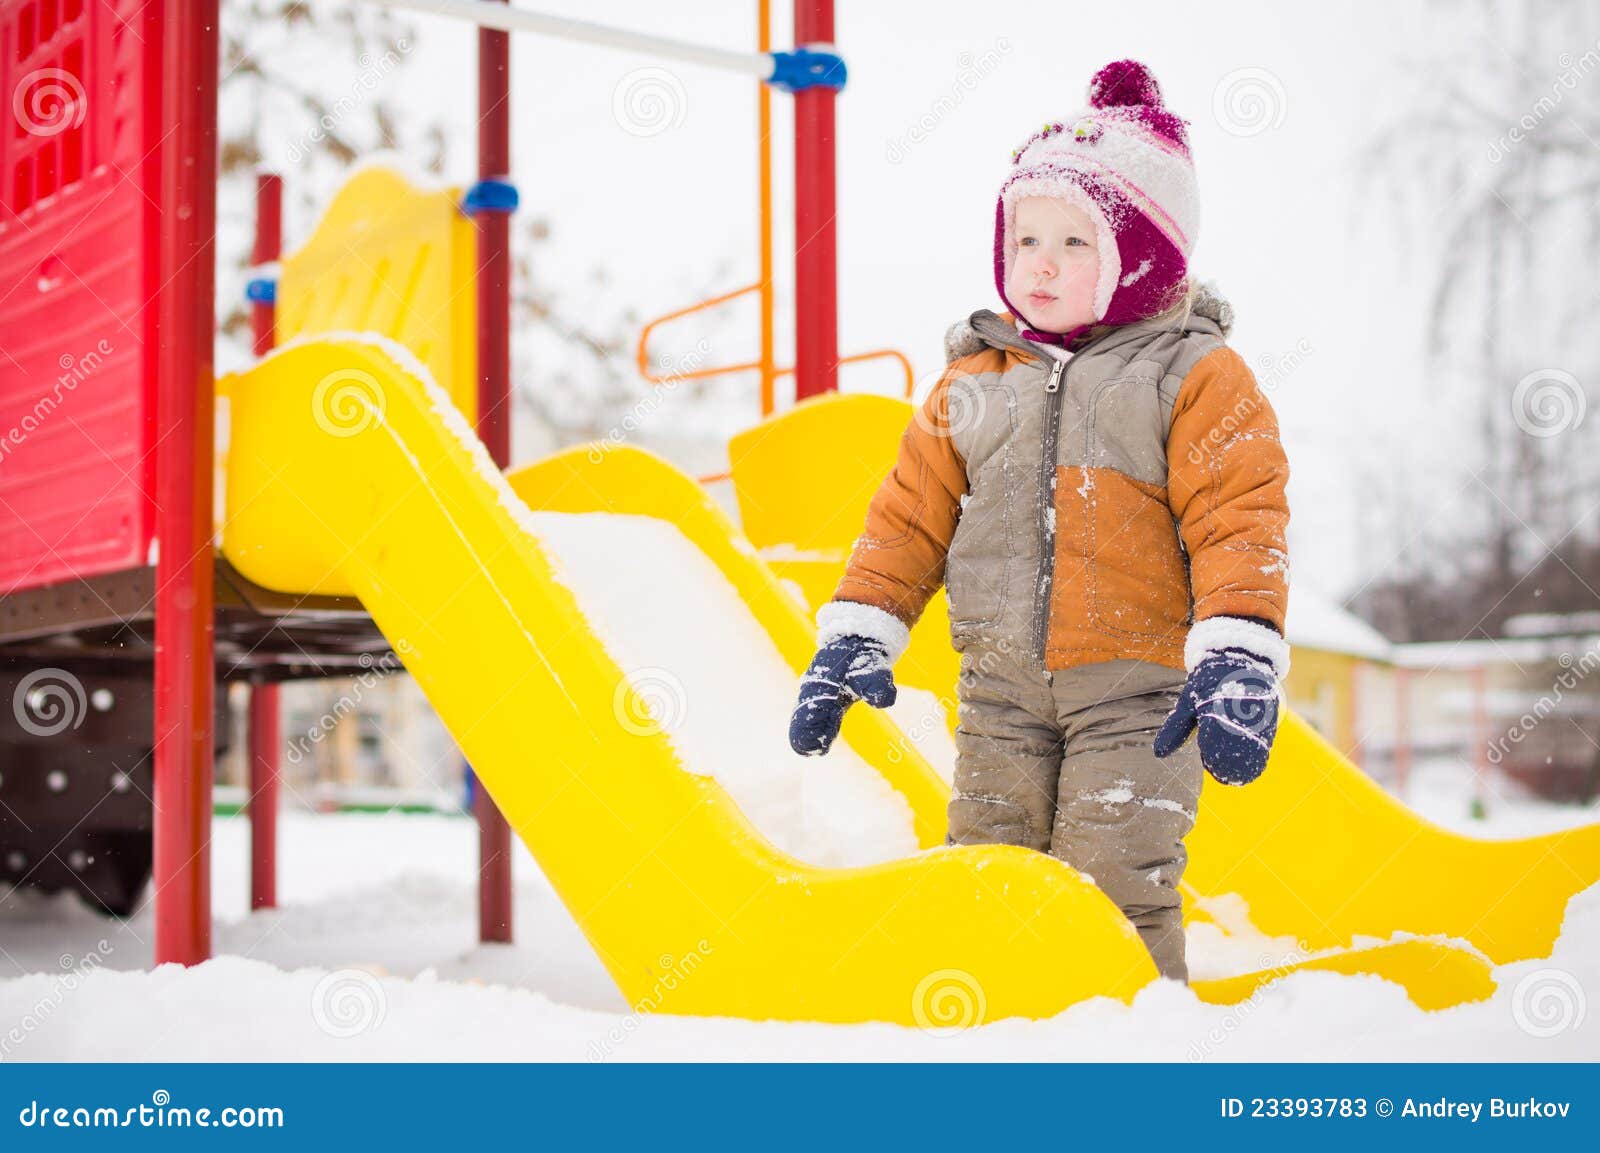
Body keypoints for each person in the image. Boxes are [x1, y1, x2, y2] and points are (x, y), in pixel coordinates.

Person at [787, 59, 1291, 983]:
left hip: (1139, 697)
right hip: (999, 694)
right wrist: (859, 632)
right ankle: (988, 1054)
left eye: (1075, 241)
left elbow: (1239, 515)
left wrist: (1237, 651)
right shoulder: (976, 381)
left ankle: (1133, 1059)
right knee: (988, 874)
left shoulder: (1195, 375)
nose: (1042, 264)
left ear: (1143, 257)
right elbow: (907, 518)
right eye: (1025, 240)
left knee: (1115, 887)